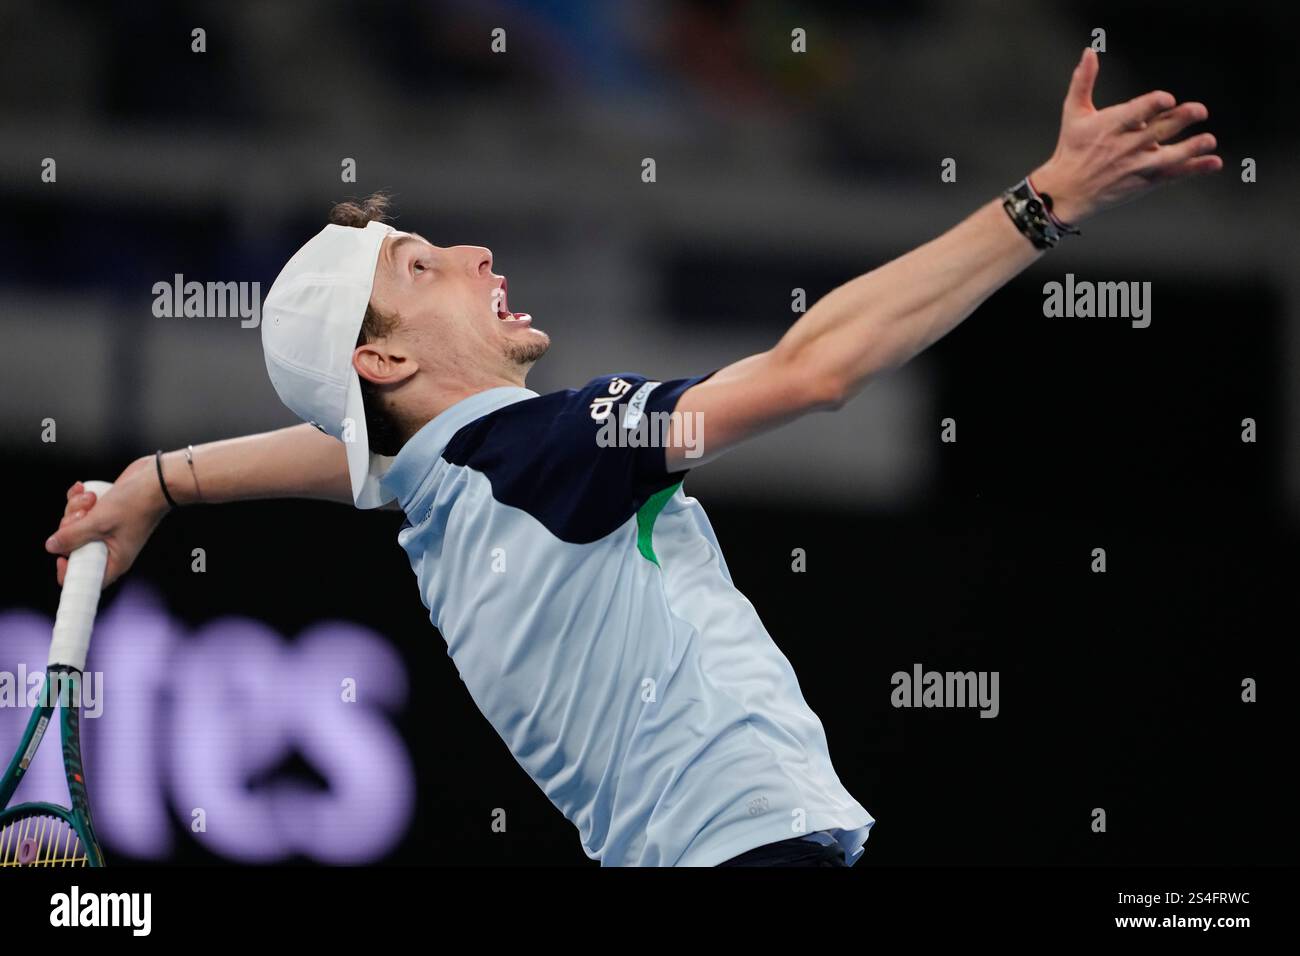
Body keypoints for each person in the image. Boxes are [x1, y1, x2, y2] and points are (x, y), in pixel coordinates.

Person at [44, 49, 1218, 866]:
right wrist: (1042, 202)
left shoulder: (443, 489)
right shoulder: (557, 444)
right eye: (418, 267)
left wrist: (161, 477)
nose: (470, 250)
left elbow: (343, 450)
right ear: (386, 366)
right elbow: (816, 369)